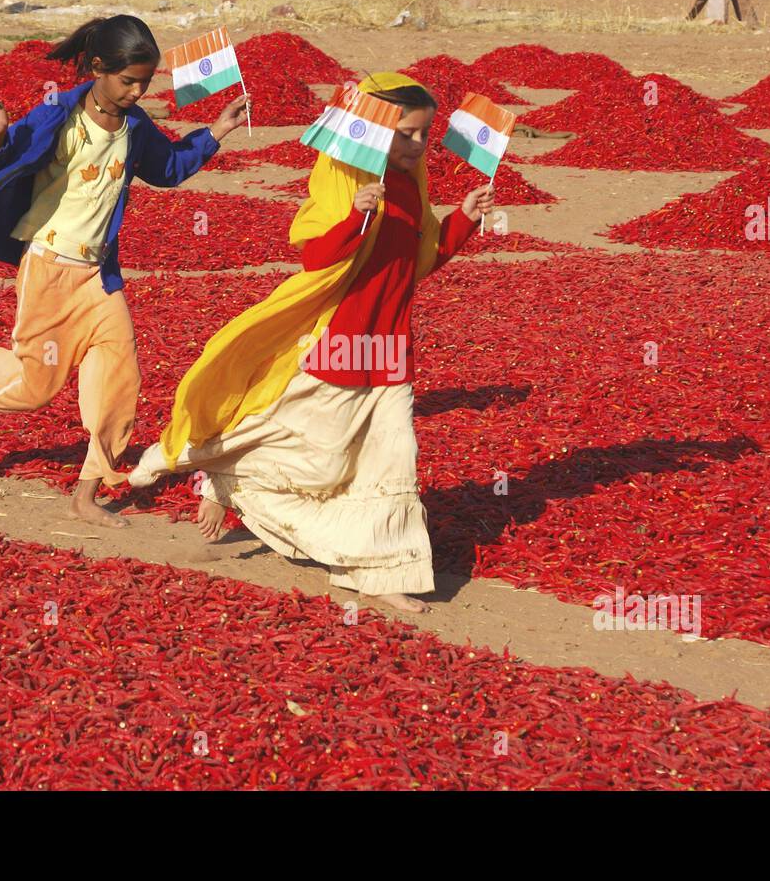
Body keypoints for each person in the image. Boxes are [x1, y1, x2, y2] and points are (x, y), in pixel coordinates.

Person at [128, 72, 495, 612]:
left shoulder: (412, 189)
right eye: (407, 134)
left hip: (391, 345)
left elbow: (417, 265)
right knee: (313, 460)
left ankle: (375, 573)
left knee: (392, 459)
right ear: (375, 130)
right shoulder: (346, 177)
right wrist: (357, 214)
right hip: (340, 340)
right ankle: (213, 474)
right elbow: (317, 258)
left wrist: (463, 218)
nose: (419, 146)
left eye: (425, 134)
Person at [0, 15, 250, 528]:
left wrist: (217, 131)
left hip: (99, 277)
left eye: (145, 82)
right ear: (98, 68)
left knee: (119, 380)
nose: (137, 91)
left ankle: (86, 493)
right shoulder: (58, 113)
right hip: (50, 268)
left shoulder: (135, 124)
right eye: (128, 81)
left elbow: (166, 168)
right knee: (36, 387)